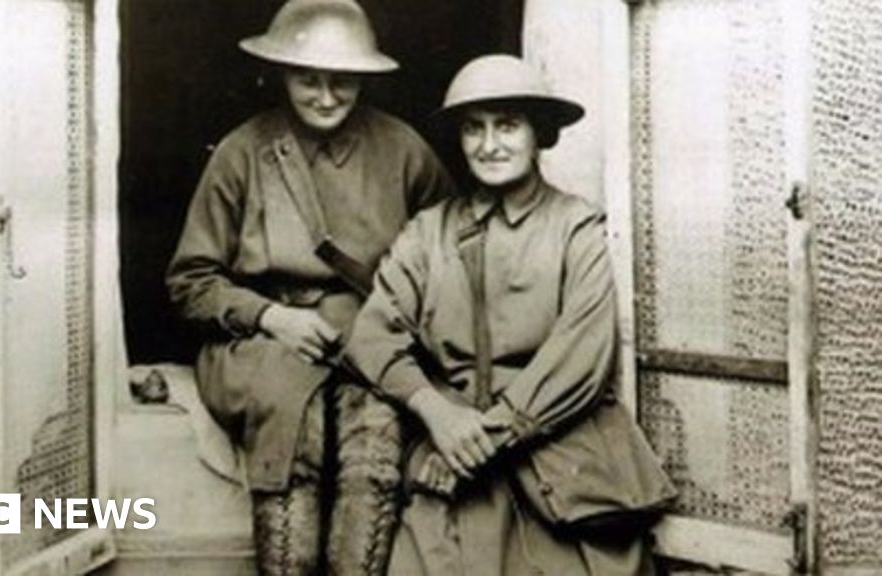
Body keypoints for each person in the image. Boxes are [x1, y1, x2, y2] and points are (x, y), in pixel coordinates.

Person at [346, 54, 675, 576]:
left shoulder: (576, 227)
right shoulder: (428, 233)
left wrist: (482, 438)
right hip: (455, 456)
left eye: (508, 125)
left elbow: (580, 360)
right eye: (474, 128)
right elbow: (370, 337)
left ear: (538, 133)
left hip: (559, 460)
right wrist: (436, 412)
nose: (490, 144)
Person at [166, 1, 454, 574]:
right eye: (307, 80)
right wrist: (272, 318)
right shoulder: (241, 152)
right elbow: (190, 283)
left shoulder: (404, 151)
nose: (325, 96)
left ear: (363, 80)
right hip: (260, 344)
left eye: (341, 81)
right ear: (282, 75)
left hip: (367, 342)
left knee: (373, 437)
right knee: (292, 429)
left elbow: (450, 266)